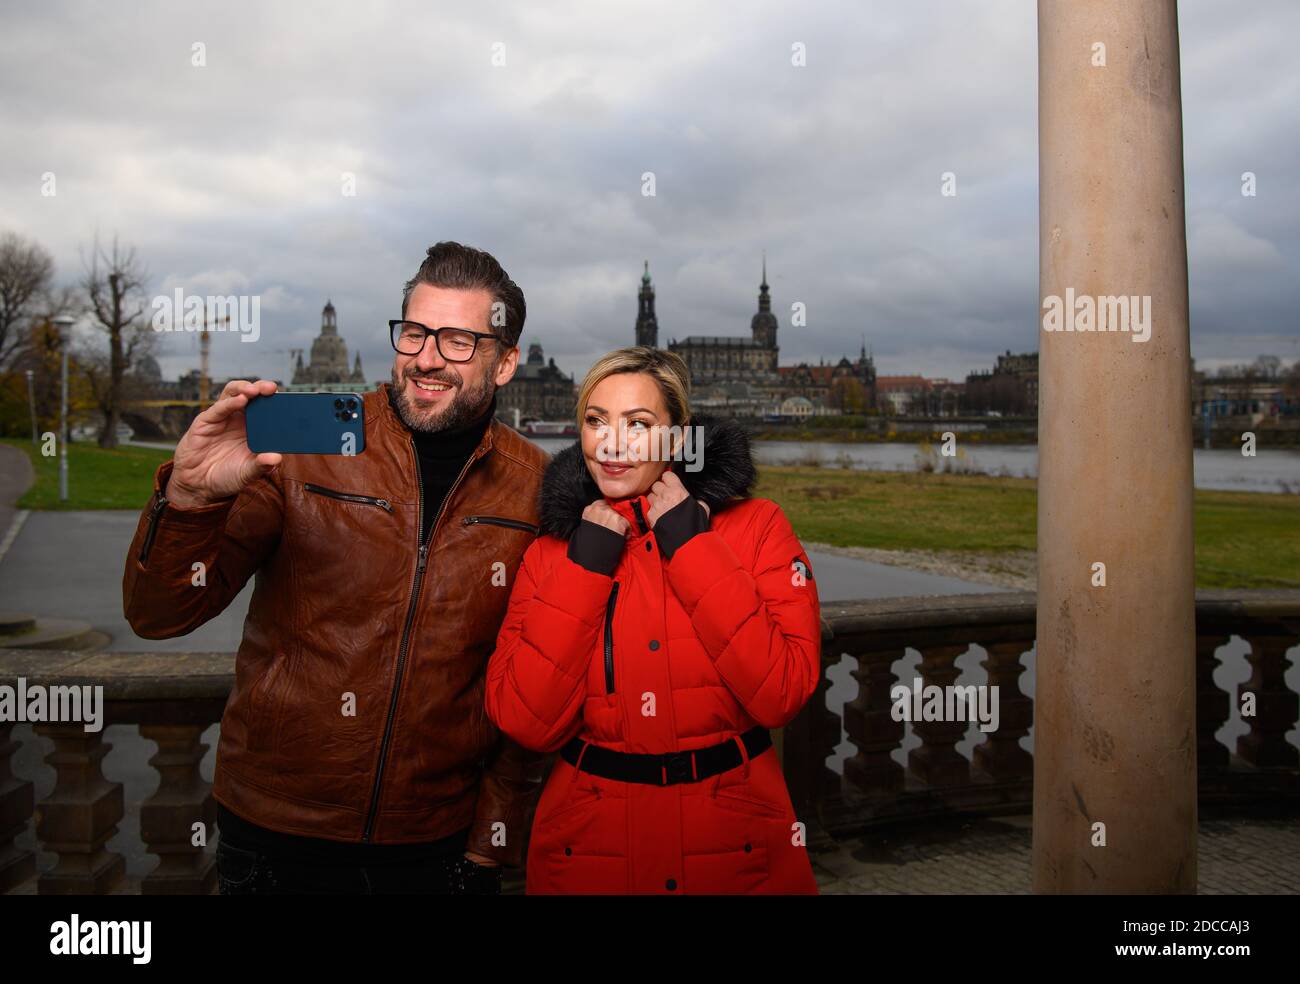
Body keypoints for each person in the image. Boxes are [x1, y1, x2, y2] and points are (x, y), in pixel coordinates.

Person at [122, 242, 550, 894]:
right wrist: (188, 500)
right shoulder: (308, 441)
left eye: (459, 340)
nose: (427, 358)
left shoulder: (536, 486)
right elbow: (159, 615)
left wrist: (496, 827)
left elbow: (536, 681)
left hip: (436, 843)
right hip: (275, 832)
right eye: (414, 333)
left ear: (505, 362)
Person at [485, 346, 822, 894]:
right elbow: (526, 721)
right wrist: (585, 567)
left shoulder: (757, 527)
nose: (611, 443)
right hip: (590, 851)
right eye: (596, 421)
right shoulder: (551, 554)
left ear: (678, 436)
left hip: (736, 849)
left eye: (637, 424)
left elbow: (781, 693)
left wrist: (692, 548)